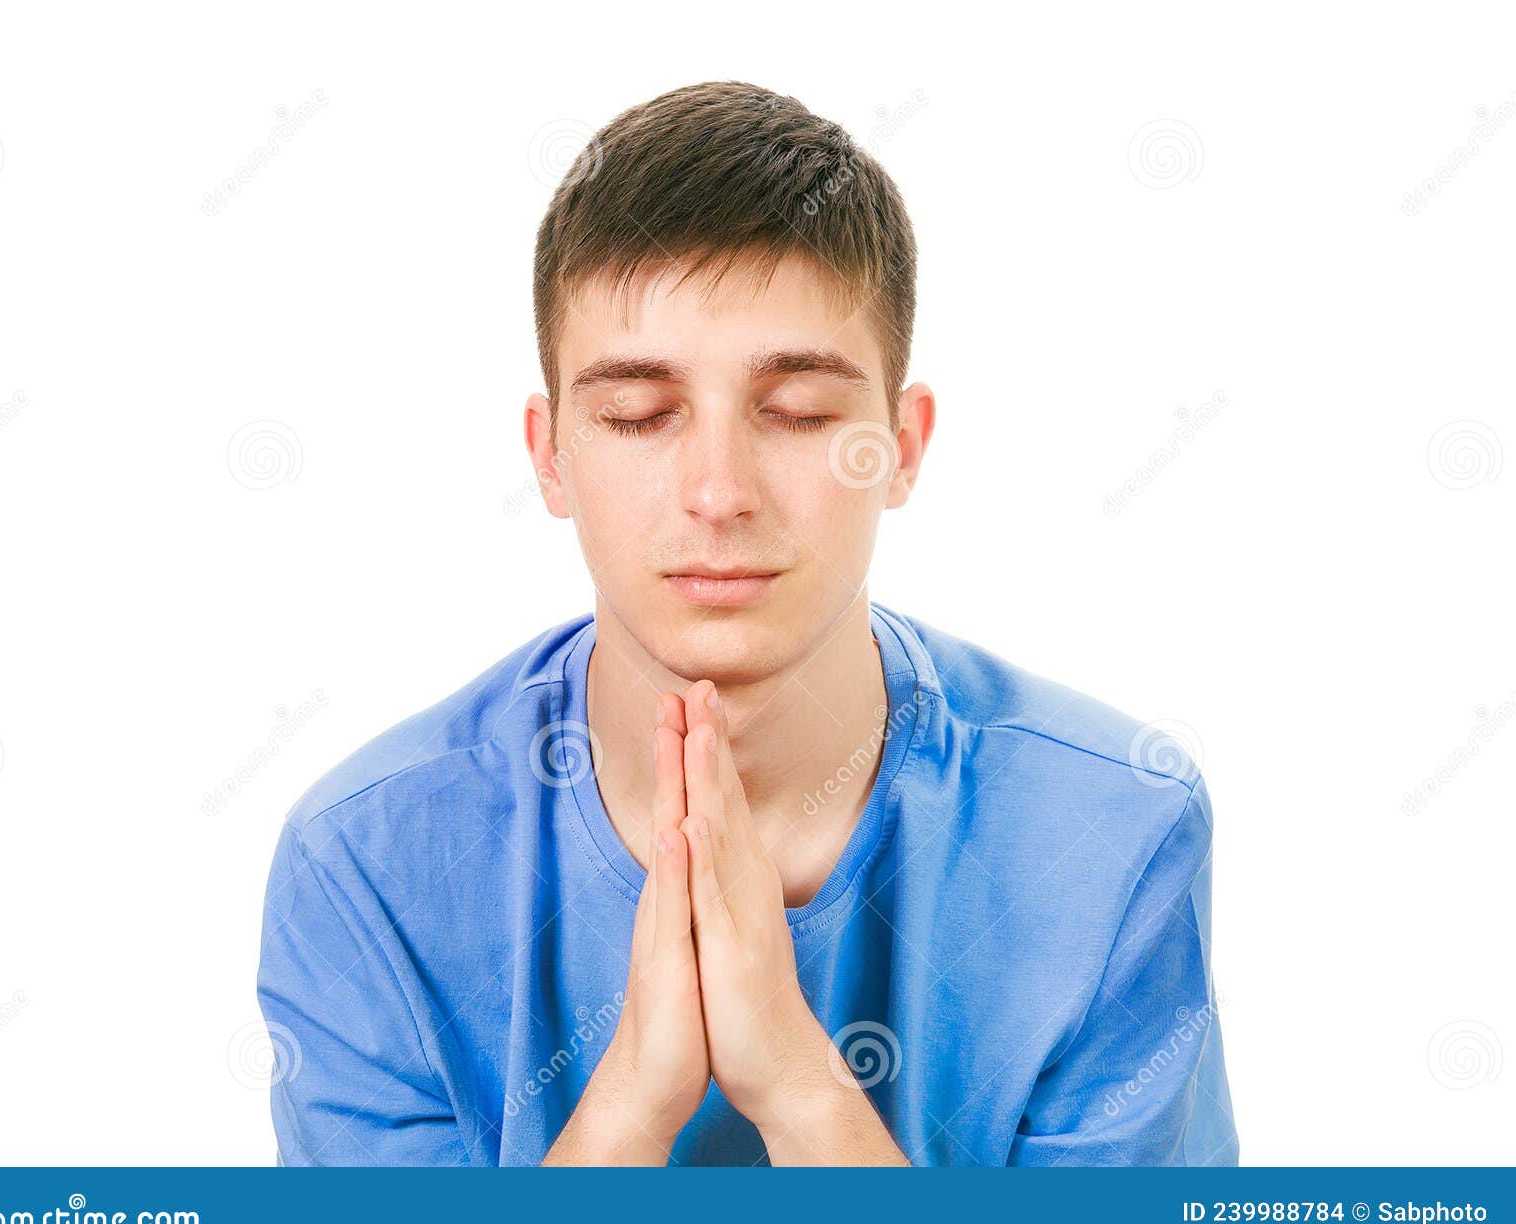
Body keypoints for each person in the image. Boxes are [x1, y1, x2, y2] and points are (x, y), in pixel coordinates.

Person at [255, 80, 1237, 1167]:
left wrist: (802, 1090)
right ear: (550, 455)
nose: (718, 493)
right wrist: (631, 1103)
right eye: (637, 415)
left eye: (798, 413)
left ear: (901, 446)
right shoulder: (367, 866)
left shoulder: (1111, 831)